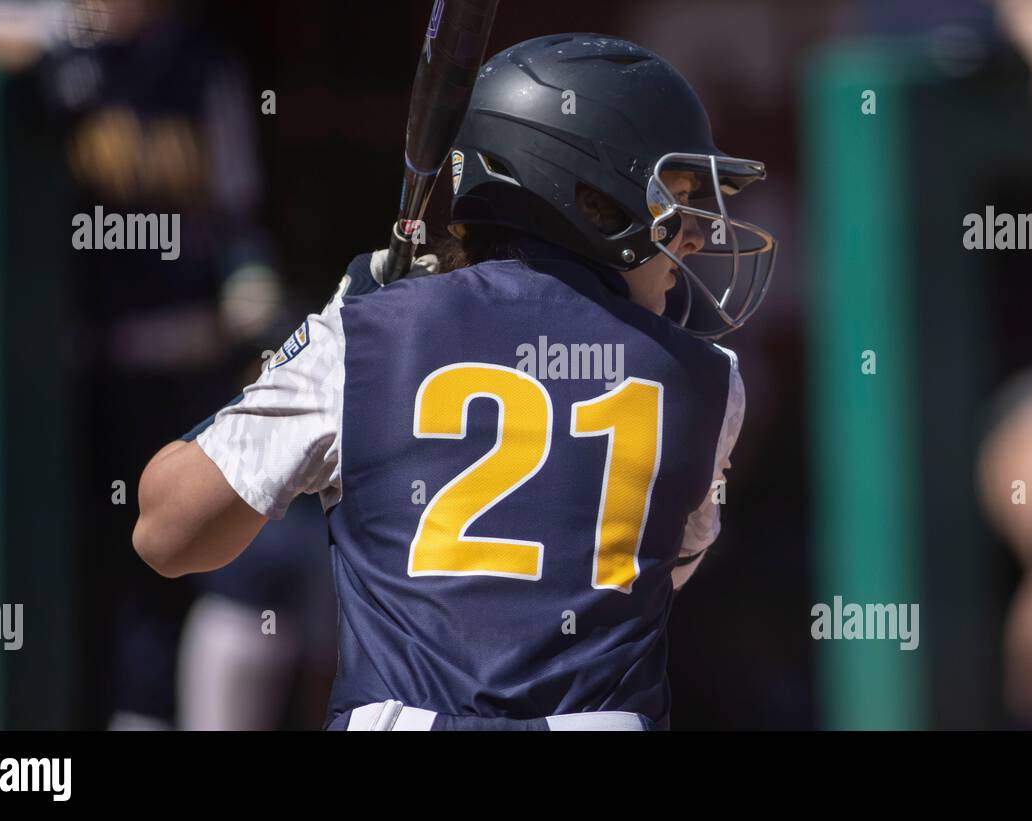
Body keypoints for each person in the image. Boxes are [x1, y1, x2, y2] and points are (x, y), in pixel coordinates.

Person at [133, 33, 777, 730]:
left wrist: (326, 334)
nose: (693, 238)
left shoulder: (365, 336)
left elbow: (167, 532)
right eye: (673, 203)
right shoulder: (711, 384)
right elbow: (646, 571)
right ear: (594, 200)